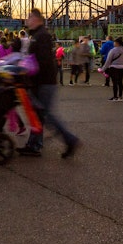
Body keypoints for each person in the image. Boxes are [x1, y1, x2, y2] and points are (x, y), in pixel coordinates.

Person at [18, 8, 80, 159]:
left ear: (37, 19)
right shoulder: (37, 35)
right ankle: (34, 145)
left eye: (29, 17)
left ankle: (70, 139)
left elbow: (43, 61)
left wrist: (30, 74)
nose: (27, 20)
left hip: (44, 82)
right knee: (39, 114)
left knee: (45, 114)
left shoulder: (42, 36)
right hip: (40, 82)